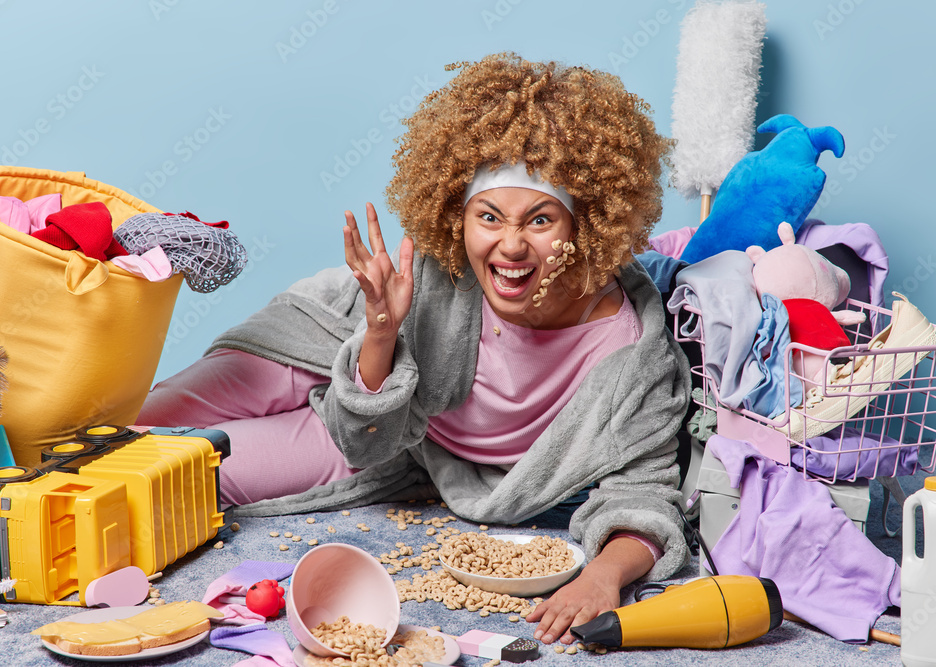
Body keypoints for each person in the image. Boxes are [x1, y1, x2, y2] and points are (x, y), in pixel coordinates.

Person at [138, 52, 691, 645]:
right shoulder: (437, 276)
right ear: (458, 217)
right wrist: (380, 329)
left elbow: (644, 496)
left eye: (539, 221)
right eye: (489, 217)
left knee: (176, 474)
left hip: (384, 434)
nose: (510, 246)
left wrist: (604, 576)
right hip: (334, 338)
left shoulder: (632, 355)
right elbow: (378, 323)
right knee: (135, 420)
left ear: (585, 225)